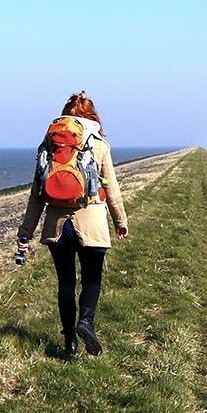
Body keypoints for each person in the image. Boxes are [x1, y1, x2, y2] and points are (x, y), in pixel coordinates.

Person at [17, 92, 129, 357]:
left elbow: (37, 194)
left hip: (57, 227)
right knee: (92, 279)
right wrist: (120, 221)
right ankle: (86, 322)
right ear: (92, 117)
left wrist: (26, 232)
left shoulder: (49, 144)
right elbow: (111, 188)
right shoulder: (100, 144)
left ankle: (69, 342)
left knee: (66, 282)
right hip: (91, 223)